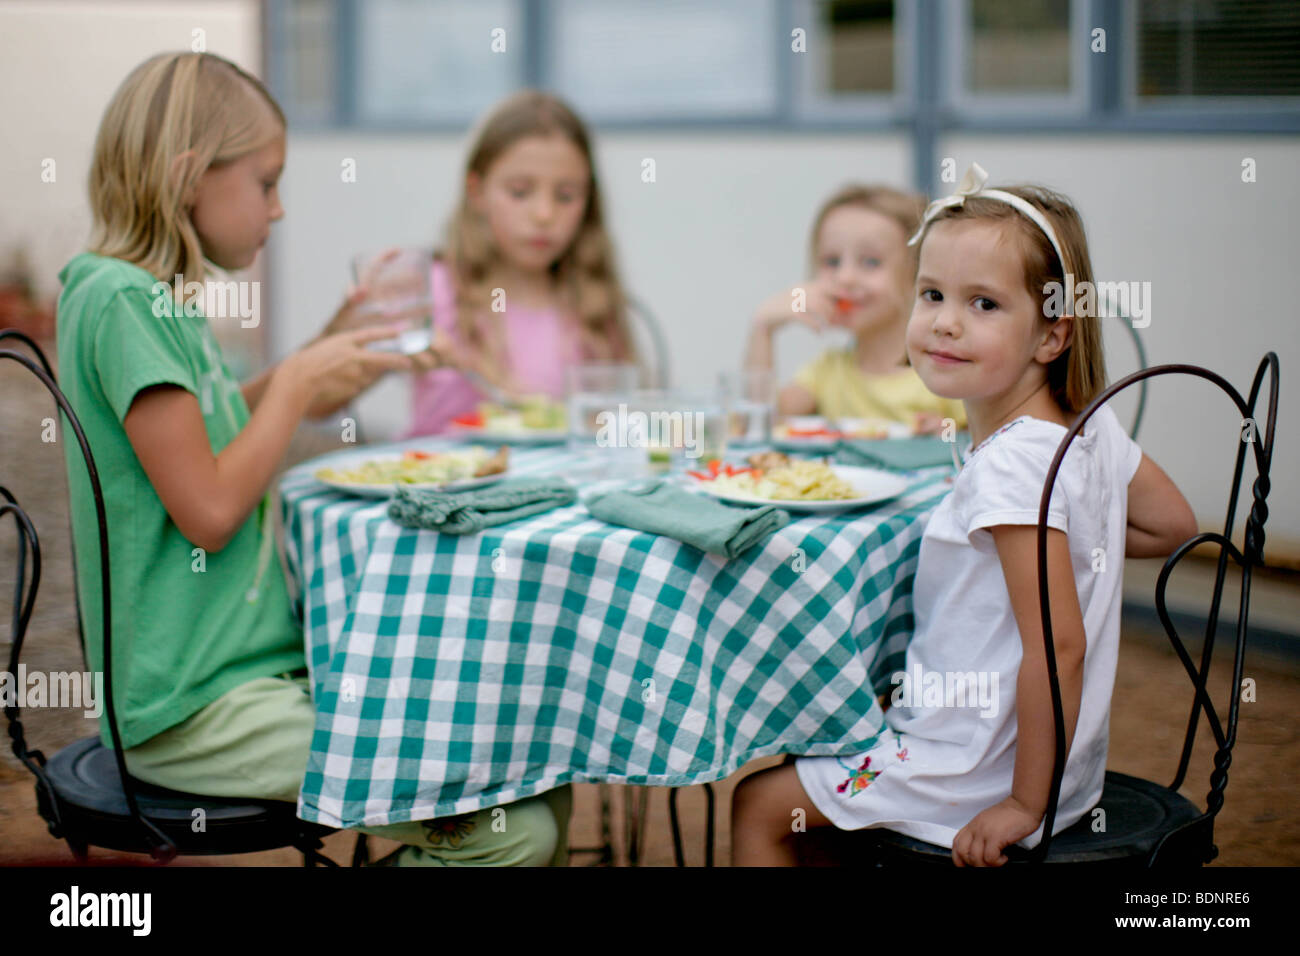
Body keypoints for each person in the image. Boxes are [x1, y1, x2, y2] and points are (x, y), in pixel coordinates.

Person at [56, 51, 569, 865]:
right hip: (195, 710)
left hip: (245, 684)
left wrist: (326, 348)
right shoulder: (122, 299)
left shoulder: (150, 299)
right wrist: (299, 381)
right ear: (191, 177)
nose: (280, 208)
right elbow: (211, 510)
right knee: (519, 830)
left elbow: (215, 434)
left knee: (527, 771)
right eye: (266, 182)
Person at [730, 165, 1198, 866]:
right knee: (835, 746)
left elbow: (1058, 649)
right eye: (933, 294)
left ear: (1051, 336)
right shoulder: (1088, 428)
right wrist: (1078, 544)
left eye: (984, 304)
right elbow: (1175, 526)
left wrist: (1022, 805)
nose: (945, 320)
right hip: (1064, 769)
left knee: (761, 805)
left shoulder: (1010, 467)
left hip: (983, 772)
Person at [396, 90, 638, 436]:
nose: (544, 214)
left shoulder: (592, 303)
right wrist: (363, 327)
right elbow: (322, 403)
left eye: (566, 196)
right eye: (520, 192)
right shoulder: (433, 289)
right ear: (477, 192)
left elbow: (615, 430)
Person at [744, 184, 965, 433]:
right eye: (832, 261)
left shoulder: (944, 370)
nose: (845, 277)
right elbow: (758, 424)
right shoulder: (827, 372)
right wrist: (763, 328)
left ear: (916, 273)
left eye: (870, 262)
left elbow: (990, 440)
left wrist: (949, 431)